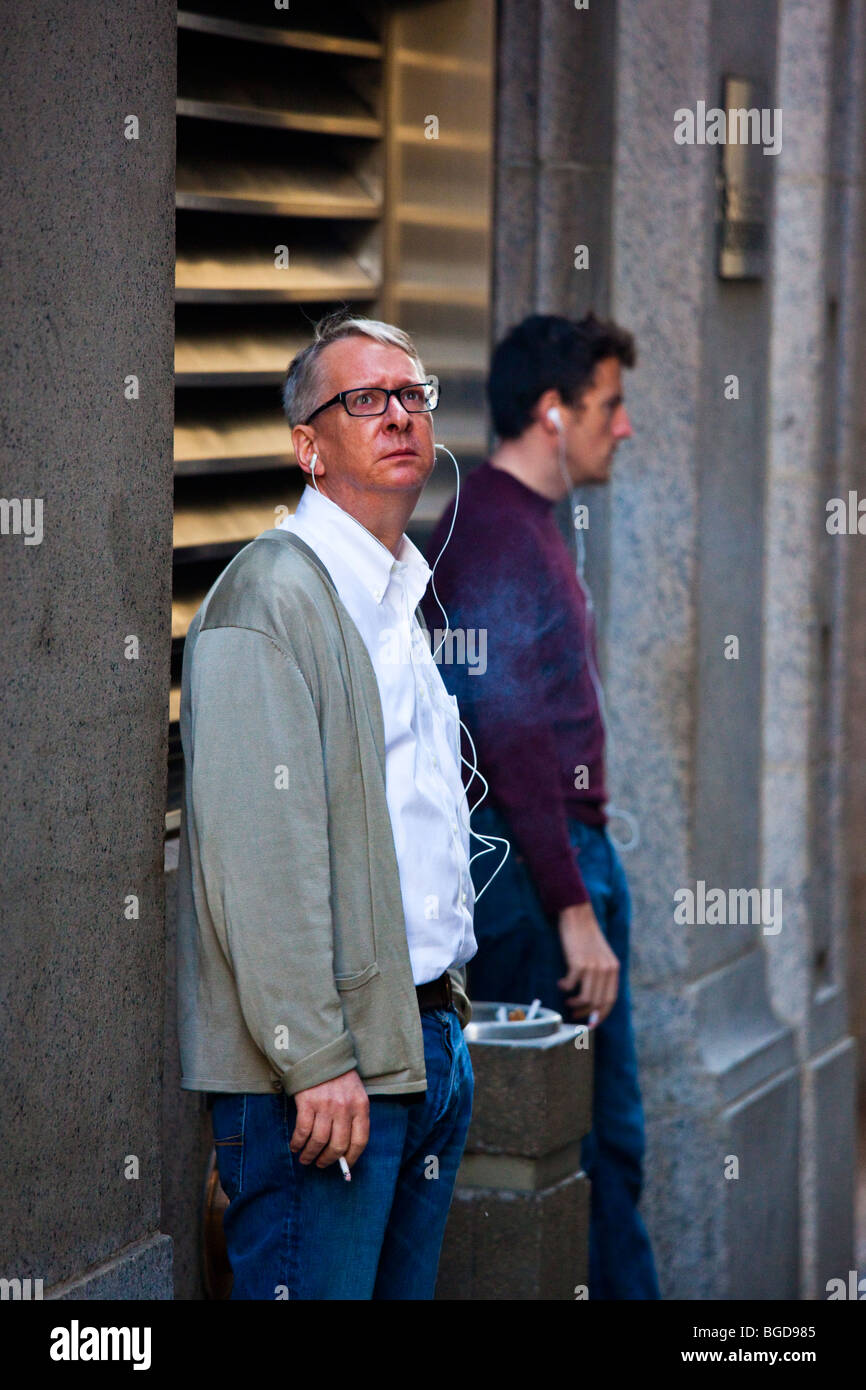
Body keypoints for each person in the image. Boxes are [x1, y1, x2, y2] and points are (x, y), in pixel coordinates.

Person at [175, 311, 476, 1300]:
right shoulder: (269, 601)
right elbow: (260, 860)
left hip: (420, 1046)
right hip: (327, 1081)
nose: (396, 414)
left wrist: (447, 1023)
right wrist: (315, 1060)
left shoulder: (395, 591)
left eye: (410, 395)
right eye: (362, 399)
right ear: (308, 447)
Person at [422, 312, 660, 1300]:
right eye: (610, 404)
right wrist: (572, 909)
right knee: (582, 1147)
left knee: (598, 1146)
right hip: (535, 877)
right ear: (553, 412)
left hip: (553, 863)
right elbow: (509, 735)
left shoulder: (513, 524)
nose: (626, 427)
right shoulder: (490, 532)